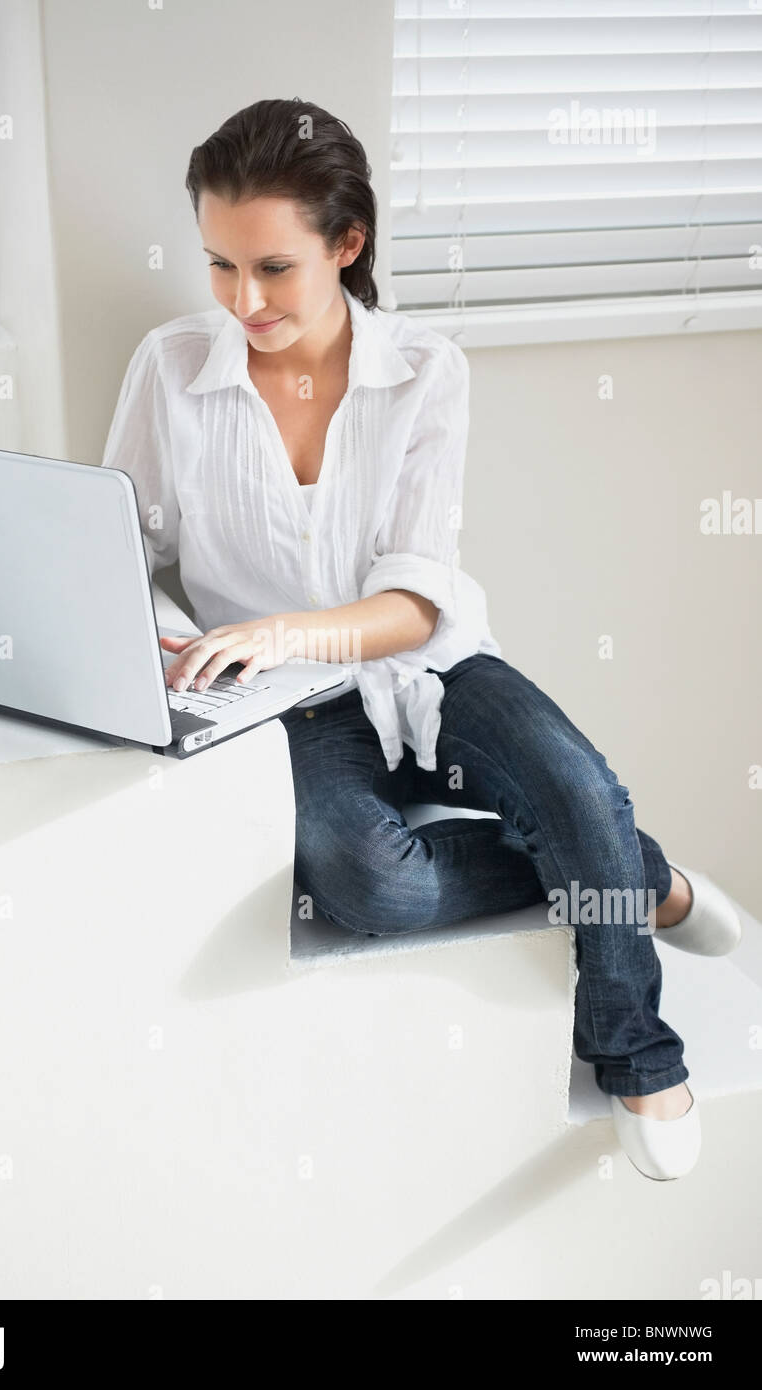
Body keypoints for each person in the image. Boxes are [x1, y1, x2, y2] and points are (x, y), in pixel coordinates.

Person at [102, 98, 741, 1182]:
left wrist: (281, 624)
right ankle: (630, 873)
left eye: (272, 268)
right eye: (219, 266)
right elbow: (128, 547)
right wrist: (172, 639)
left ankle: (637, 1052)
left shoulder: (425, 370)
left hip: (426, 664)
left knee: (576, 784)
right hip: (286, 697)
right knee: (368, 882)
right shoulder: (170, 371)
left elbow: (415, 603)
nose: (241, 301)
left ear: (345, 247)